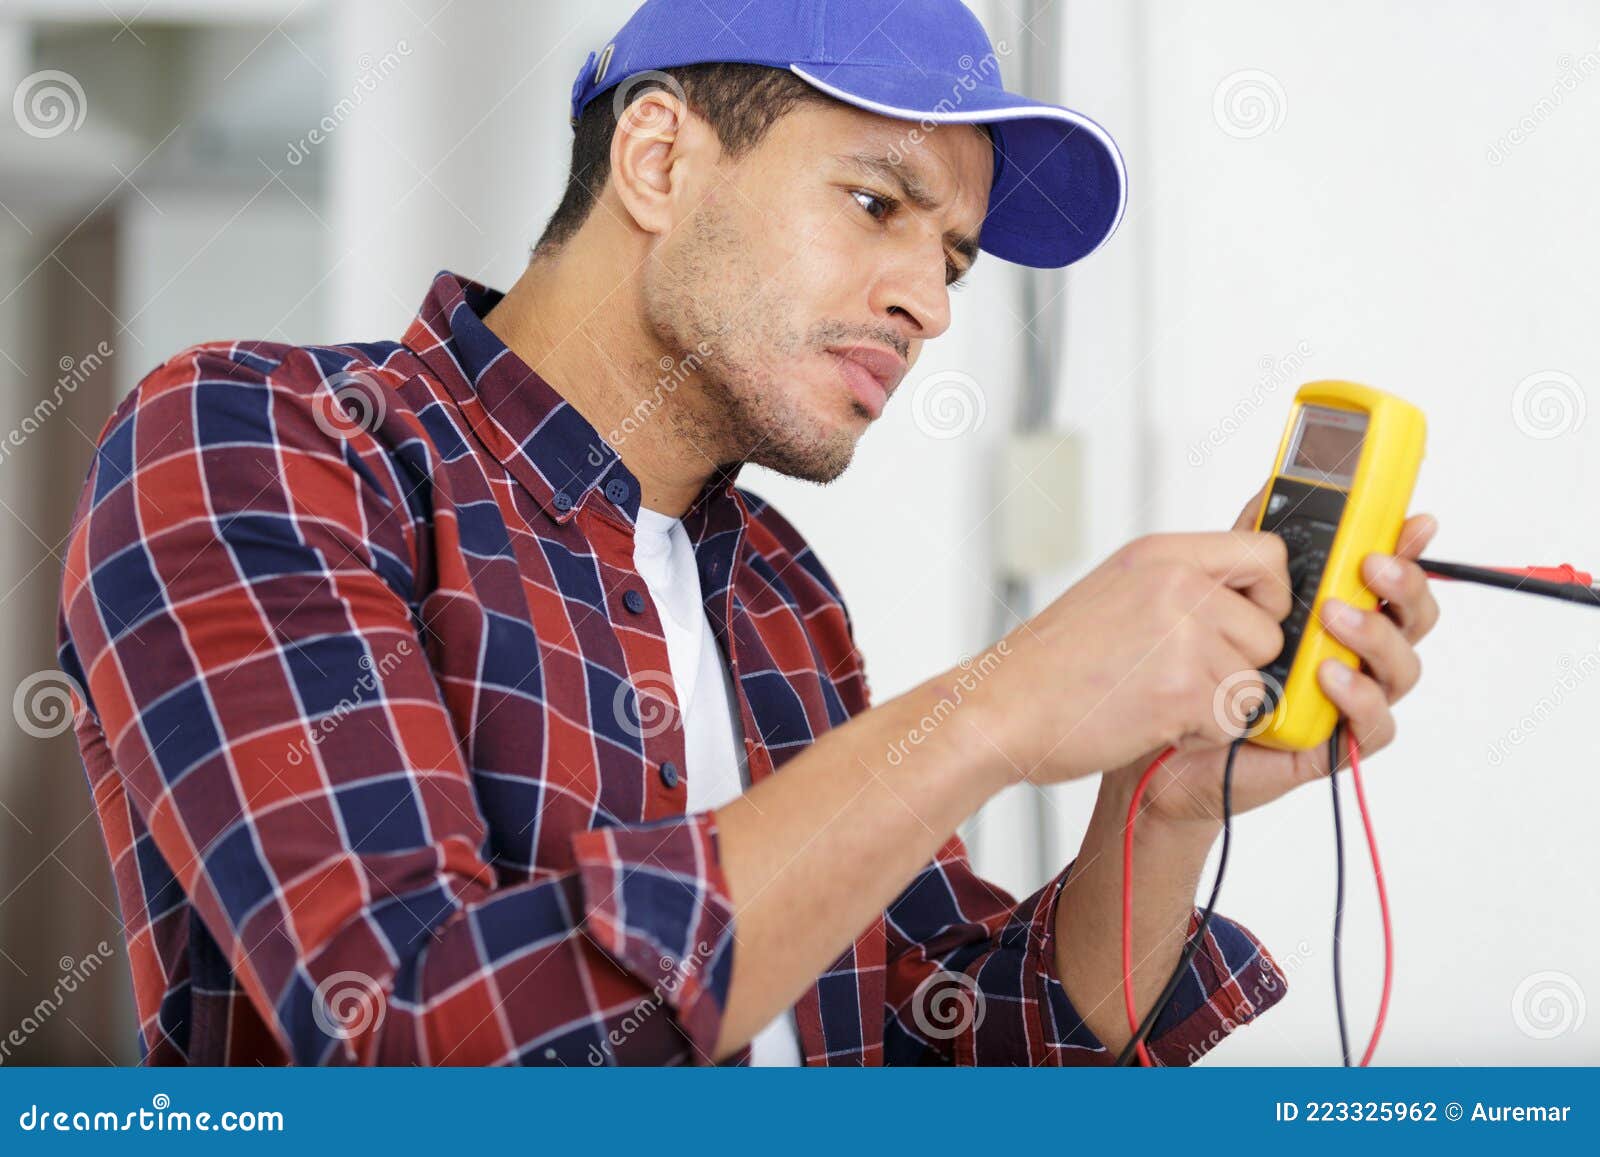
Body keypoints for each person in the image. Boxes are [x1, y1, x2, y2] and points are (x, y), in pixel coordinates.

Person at [56, 0, 1439, 1066]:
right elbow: (416, 1041)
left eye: (951, 257)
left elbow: (947, 1045)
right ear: (657, 158)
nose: (932, 302)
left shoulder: (778, 586)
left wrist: (1160, 803)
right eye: (878, 202)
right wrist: (992, 708)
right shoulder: (267, 441)